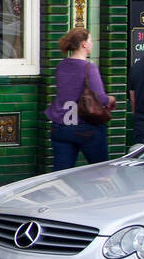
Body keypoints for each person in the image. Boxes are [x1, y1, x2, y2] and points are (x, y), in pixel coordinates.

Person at [45, 27, 113, 170]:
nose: (92, 44)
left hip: (60, 125)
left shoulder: (61, 66)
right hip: (85, 125)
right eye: (90, 40)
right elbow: (100, 98)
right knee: (101, 172)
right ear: (84, 44)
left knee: (61, 174)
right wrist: (111, 100)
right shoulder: (89, 68)